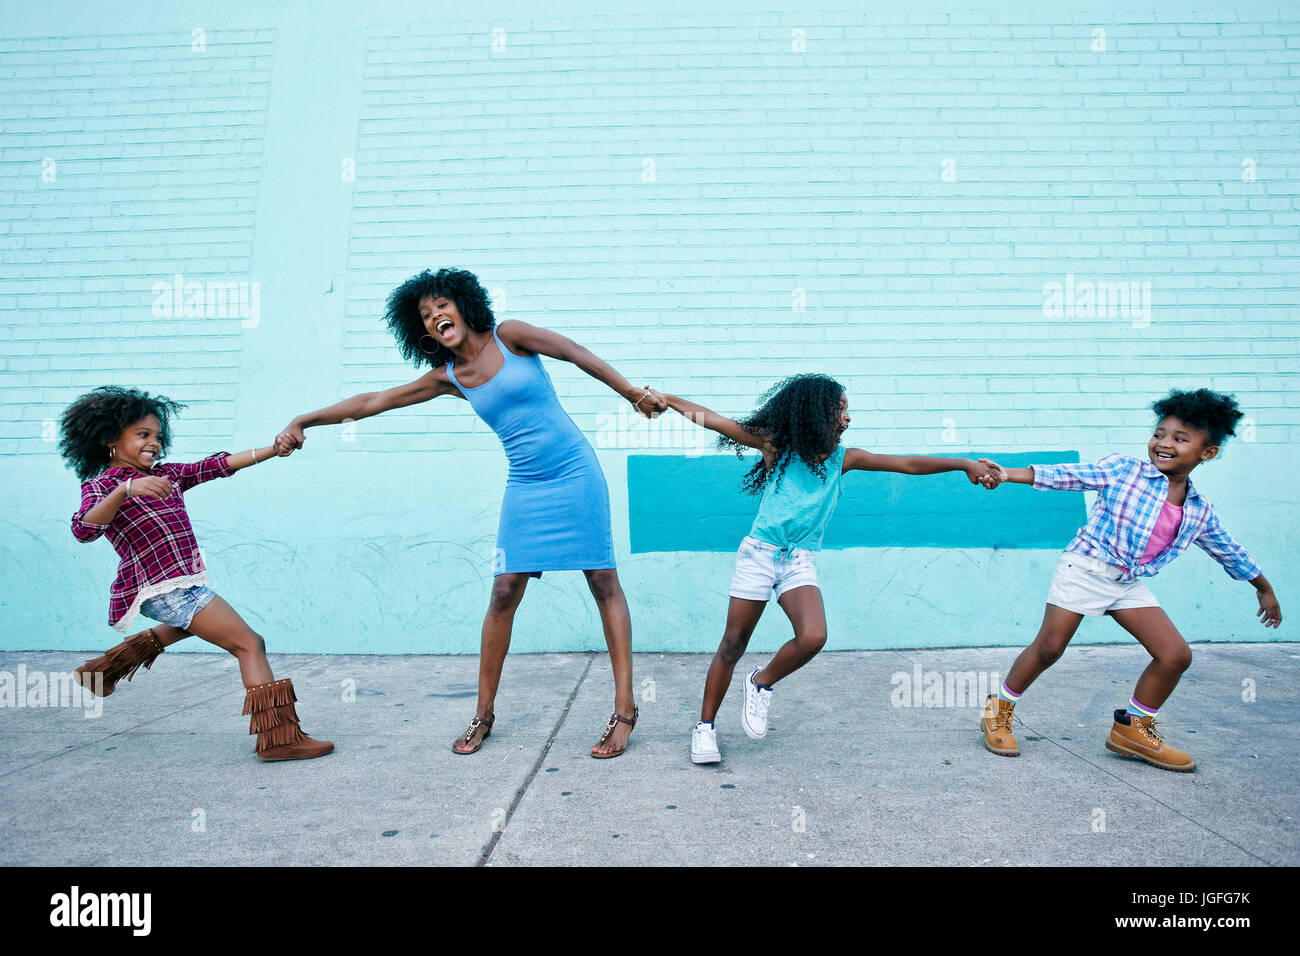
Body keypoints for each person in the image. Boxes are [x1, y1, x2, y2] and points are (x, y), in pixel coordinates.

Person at [276, 268, 668, 758]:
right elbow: (375, 401)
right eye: (426, 314)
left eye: (443, 304)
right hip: (526, 485)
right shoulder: (451, 379)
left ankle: (625, 709)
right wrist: (304, 419)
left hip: (574, 474)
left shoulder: (510, 335)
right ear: (423, 332)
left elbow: (573, 351)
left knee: (603, 582)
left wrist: (630, 391)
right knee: (504, 591)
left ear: (463, 305)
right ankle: (483, 714)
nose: (437, 314)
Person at [663, 373, 1000, 764]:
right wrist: (670, 399)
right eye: (841, 410)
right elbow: (717, 420)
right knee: (733, 643)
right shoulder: (777, 445)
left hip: (797, 558)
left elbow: (906, 464)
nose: (847, 418)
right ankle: (705, 728)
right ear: (818, 413)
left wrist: (962, 464)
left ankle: (761, 682)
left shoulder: (844, 459)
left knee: (813, 637)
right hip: (759, 553)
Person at [980, 388, 1281, 772]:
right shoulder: (1126, 470)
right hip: (1086, 567)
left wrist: (1263, 586)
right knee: (1050, 648)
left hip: (1126, 582)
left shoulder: (1199, 509)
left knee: (1175, 655)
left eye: (1179, 439)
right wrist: (1008, 475)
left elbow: (1227, 548)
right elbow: (1071, 475)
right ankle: (999, 710)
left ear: (1207, 453)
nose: (1164, 444)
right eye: (1160, 434)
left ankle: (1132, 729)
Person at [63, 386, 333, 761]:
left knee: (191, 628)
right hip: (165, 589)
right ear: (110, 439)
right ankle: (279, 739)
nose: (153, 443)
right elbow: (83, 530)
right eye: (142, 435)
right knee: (249, 644)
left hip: (183, 584)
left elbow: (214, 466)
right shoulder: (101, 486)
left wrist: (274, 449)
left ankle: (103, 671)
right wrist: (125, 490)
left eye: (157, 436)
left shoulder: (168, 476)